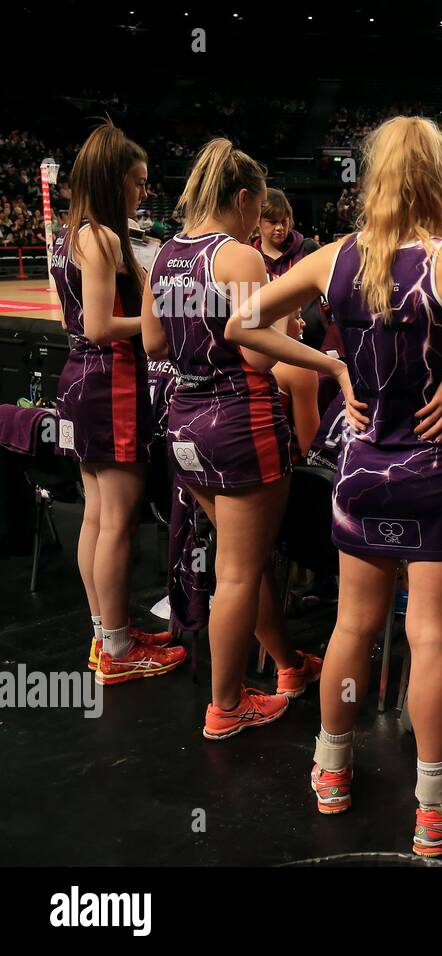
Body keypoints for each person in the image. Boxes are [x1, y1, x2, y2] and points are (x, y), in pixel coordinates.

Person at [235, 115, 442, 857]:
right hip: (436, 468)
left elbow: (242, 326)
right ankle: (436, 806)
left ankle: (330, 771)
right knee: (428, 635)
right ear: (437, 177)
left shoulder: (333, 259)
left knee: (351, 628)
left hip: (361, 469)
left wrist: (331, 366)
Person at [142, 139, 340, 736]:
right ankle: (226, 706)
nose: (261, 221)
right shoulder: (239, 258)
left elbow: (153, 344)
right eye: (259, 208)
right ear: (246, 197)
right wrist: (290, 330)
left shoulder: (167, 254)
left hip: (185, 422)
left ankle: (285, 668)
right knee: (237, 572)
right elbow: (258, 362)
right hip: (238, 422)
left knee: (243, 565)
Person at [50, 121, 184, 684]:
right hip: (113, 385)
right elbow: (104, 326)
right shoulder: (103, 239)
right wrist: (159, 315)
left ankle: (106, 633)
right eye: (137, 182)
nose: (143, 192)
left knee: (97, 517)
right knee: (117, 523)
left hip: (79, 382)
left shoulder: (67, 236)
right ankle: (120, 649)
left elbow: (72, 323)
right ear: (115, 181)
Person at [252, 188, 326, 348]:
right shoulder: (249, 256)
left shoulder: (308, 249)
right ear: (258, 222)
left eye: (284, 221)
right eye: (272, 222)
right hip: (268, 344)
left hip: (313, 343)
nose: (279, 227)